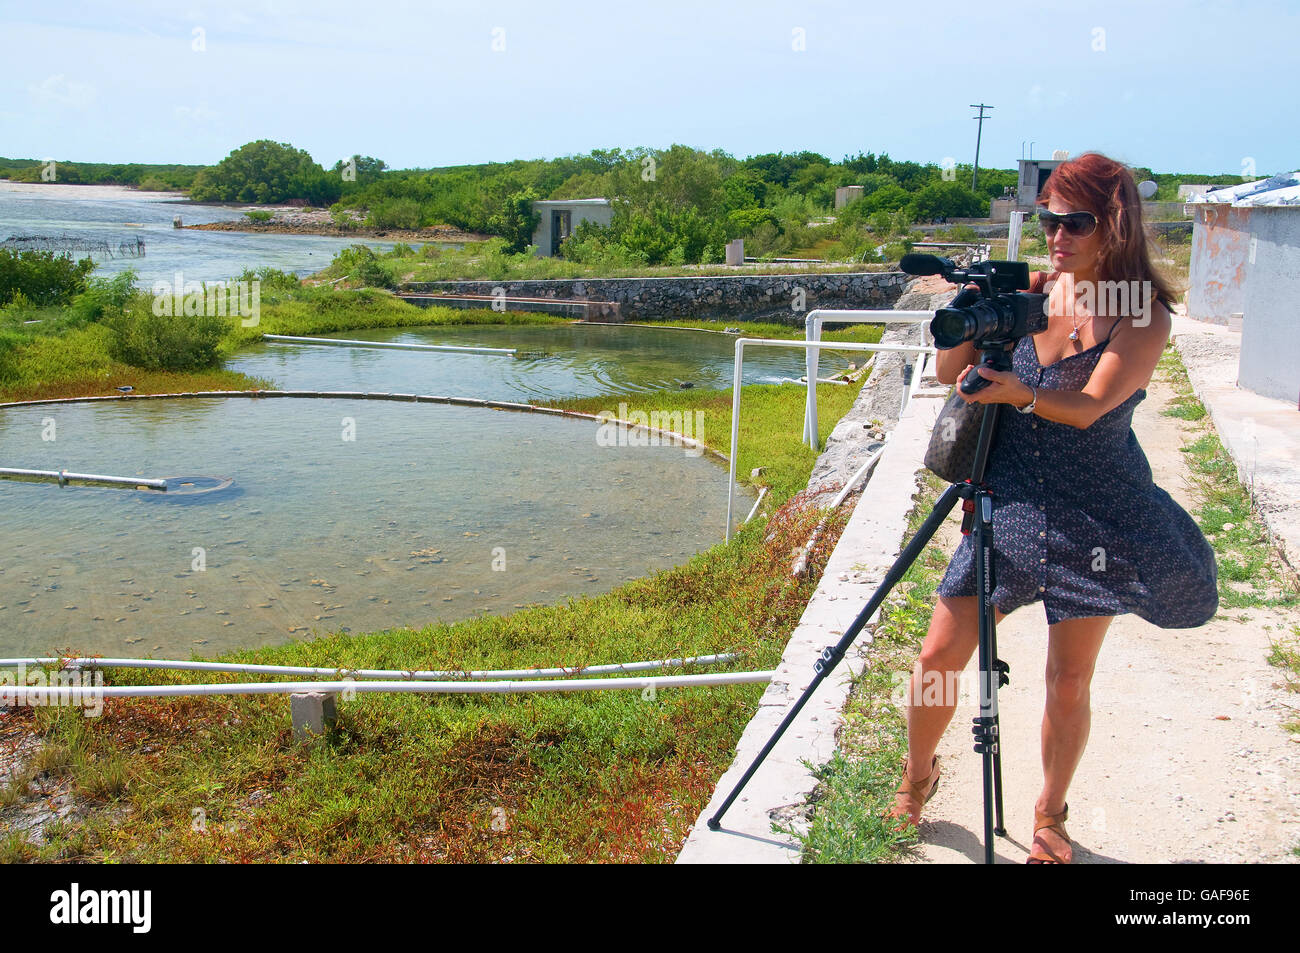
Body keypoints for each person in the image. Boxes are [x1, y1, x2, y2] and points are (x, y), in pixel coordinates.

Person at [887, 152, 1218, 863]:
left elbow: (1095, 404)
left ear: (1114, 224)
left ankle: (1049, 813)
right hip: (1009, 496)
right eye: (1047, 220)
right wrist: (975, 317)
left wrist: (1023, 393)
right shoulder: (1031, 289)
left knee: (1069, 677)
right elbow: (950, 374)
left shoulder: (1141, 312)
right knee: (940, 654)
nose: (1057, 235)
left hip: (1093, 505)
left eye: (1075, 221)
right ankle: (917, 777)